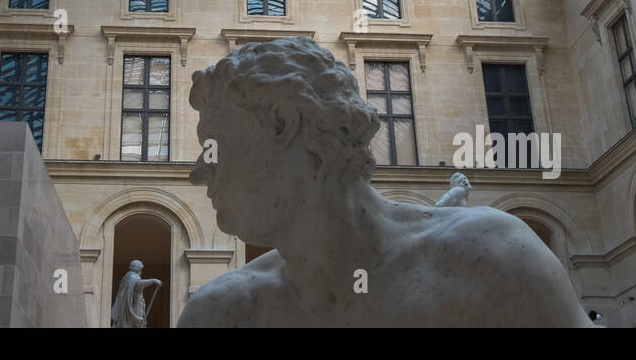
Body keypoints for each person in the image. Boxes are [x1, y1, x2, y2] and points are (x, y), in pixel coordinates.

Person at [179, 36, 595, 327]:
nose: (199, 171)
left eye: (213, 146)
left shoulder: (495, 263)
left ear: (282, 124)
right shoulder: (223, 312)